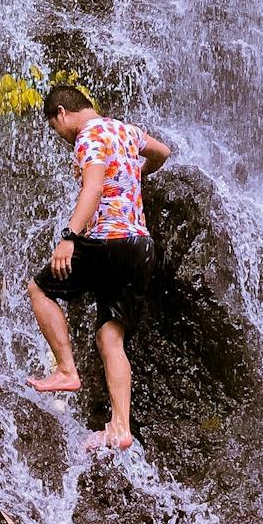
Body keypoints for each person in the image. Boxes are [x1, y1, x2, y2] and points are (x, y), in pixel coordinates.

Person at [26, 84, 171, 452]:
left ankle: (65, 370)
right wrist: (136, 172)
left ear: (61, 113)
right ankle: (120, 428)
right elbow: (162, 152)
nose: (59, 135)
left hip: (108, 242)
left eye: (54, 126)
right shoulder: (124, 130)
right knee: (110, 338)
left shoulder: (88, 136)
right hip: (141, 247)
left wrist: (69, 236)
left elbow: (91, 188)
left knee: (39, 289)